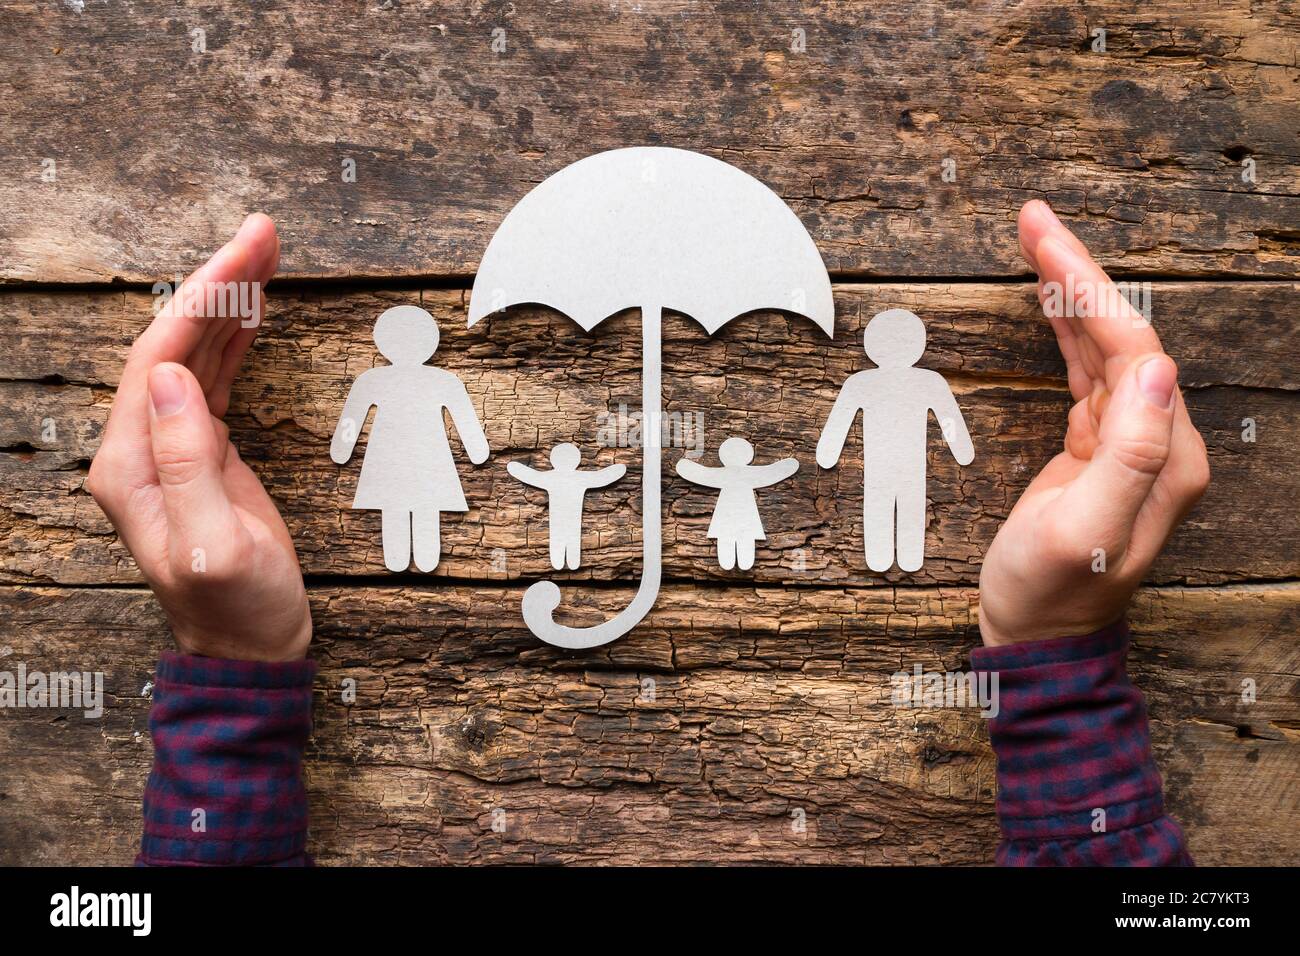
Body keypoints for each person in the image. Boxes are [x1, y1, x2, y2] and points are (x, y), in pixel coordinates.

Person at [86, 201, 1208, 865]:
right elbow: (432, 428)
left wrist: (232, 677)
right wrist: (1057, 648)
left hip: (877, 492)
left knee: (889, 509)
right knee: (414, 516)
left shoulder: (891, 393)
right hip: (417, 474)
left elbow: (837, 438)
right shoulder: (399, 388)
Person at [331, 305, 489, 573]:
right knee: (417, 503)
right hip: (425, 456)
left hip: (395, 457)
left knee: (398, 505)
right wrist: (477, 450)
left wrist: (342, 449)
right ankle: (417, 559)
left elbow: (350, 421)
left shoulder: (373, 379)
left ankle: (408, 559)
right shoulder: (443, 380)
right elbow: (466, 423)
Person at [816, 308, 974, 573]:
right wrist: (962, 450)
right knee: (903, 501)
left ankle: (887, 557)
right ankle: (902, 557)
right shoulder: (927, 381)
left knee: (881, 502)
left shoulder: (862, 382)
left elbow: (838, 424)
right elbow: (950, 421)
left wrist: (828, 453)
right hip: (904, 464)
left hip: (887, 463)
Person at [675, 437, 799, 571]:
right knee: (742, 536)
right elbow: (772, 472)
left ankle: (732, 562)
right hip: (744, 513)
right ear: (749, 455)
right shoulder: (749, 474)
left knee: (729, 536)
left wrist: (686, 466)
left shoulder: (724, 474)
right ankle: (737, 562)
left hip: (728, 513)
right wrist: (788, 465)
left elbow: (702, 473)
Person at [506, 443, 625, 570]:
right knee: (571, 535)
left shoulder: (551, 477)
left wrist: (514, 467)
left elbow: (532, 476)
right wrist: (618, 469)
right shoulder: (580, 477)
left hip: (559, 518)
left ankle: (561, 561)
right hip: (572, 517)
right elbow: (600, 477)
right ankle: (570, 561)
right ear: (577, 460)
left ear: (553, 460)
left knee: (559, 536)